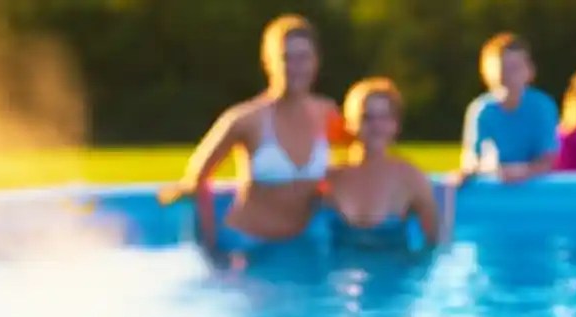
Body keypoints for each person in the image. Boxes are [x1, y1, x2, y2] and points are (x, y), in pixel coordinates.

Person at [159, 14, 349, 266]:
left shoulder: (326, 113)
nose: (296, 67)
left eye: (303, 58)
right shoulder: (245, 119)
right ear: (268, 62)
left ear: (316, 62)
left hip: (302, 247)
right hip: (247, 247)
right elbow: (197, 177)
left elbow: (359, 158)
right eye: (286, 58)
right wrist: (211, 250)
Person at [322, 77, 447, 251]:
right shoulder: (332, 178)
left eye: (384, 117)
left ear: (395, 124)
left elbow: (435, 244)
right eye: (367, 118)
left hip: (393, 272)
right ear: (350, 123)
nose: (376, 126)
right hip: (343, 273)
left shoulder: (411, 178)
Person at [458, 33, 559, 183]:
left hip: (536, 190)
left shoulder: (542, 107)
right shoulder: (481, 110)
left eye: (515, 68)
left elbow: (549, 160)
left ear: (529, 71)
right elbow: (472, 157)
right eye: (501, 68)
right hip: (495, 189)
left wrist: (523, 172)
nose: (507, 76)